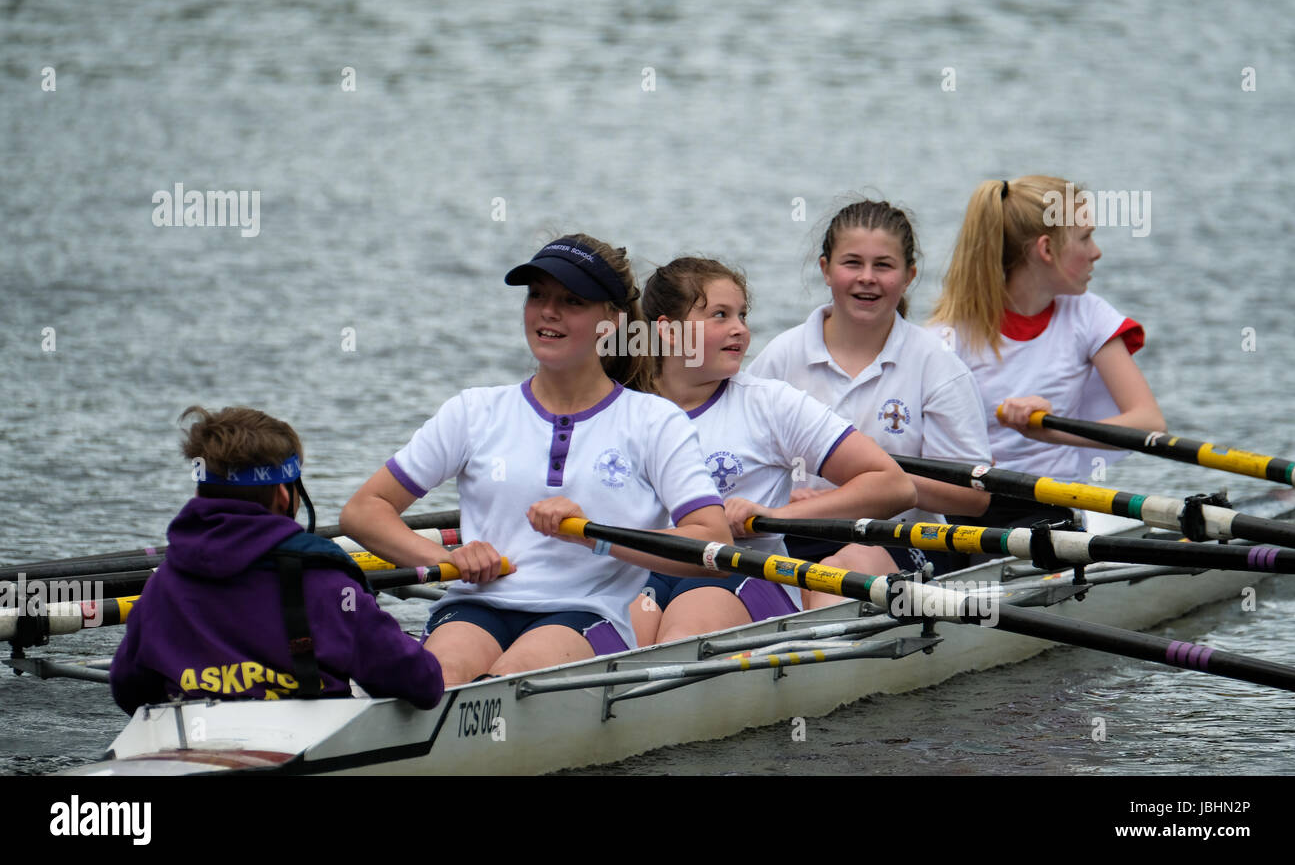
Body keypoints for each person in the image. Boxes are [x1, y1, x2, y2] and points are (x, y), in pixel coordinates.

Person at [340, 235, 731, 685]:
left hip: (588, 612)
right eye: (537, 296)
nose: (548, 311)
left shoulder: (653, 421)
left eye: (572, 300)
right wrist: (447, 555)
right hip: (477, 603)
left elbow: (711, 543)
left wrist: (595, 537)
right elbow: (363, 511)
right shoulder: (475, 412)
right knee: (440, 675)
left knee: (512, 675)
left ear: (612, 321)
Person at [632, 258, 916, 637]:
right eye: (720, 315)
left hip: (744, 571)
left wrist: (775, 514)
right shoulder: (625, 408)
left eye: (742, 315)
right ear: (668, 332)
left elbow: (893, 484)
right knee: (630, 626)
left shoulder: (769, 404)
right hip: (644, 573)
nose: (741, 331)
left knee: (688, 622)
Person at [110, 406, 445, 715]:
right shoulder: (327, 583)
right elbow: (421, 684)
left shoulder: (162, 586)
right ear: (285, 494)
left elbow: (128, 688)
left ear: (201, 493)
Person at [748, 198, 991, 572]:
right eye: (852, 263)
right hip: (794, 533)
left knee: (851, 561)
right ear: (826, 270)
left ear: (909, 275)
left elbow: (973, 498)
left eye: (883, 265)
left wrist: (853, 495)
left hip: (904, 538)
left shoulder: (938, 365)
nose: (867, 277)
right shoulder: (781, 356)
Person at [930, 177, 1164, 527]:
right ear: (1046, 250)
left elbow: (1149, 425)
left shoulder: (1088, 315)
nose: (1096, 251)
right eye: (1085, 238)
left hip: (1053, 506)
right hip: (964, 507)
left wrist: (1049, 431)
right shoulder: (944, 337)